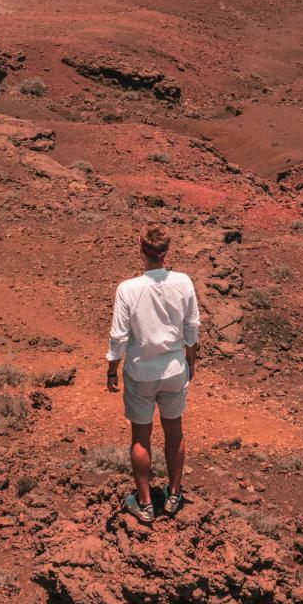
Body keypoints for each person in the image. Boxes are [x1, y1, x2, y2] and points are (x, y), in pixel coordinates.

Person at [105, 222, 200, 524]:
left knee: (140, 436)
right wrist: (191, 361)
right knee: (175, 430)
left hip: (141, 373)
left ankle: (144, 503)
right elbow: (192, 328)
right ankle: (173, 494)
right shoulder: (184, 282)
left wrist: (111, 369)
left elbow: (119, 337)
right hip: (174, 370)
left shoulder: (128, 289)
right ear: (166, 251)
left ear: (140, 247)